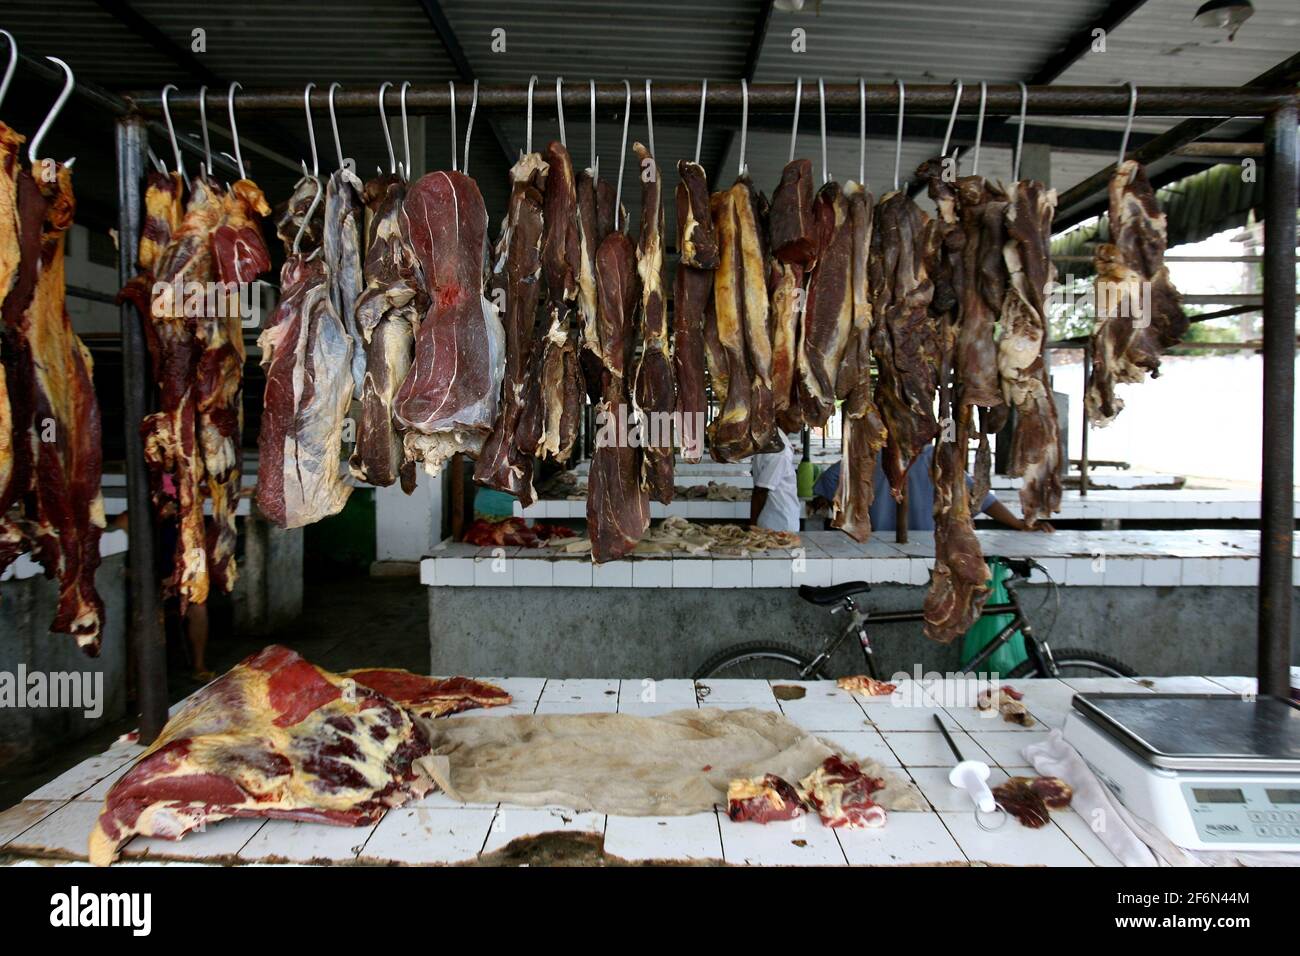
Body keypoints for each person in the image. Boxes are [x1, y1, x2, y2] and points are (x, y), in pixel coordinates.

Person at [810, 445, 1055, 533]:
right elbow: (983, 500)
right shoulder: (935, 458)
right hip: (927, 545)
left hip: (874, 541)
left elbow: (827, 484)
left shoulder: (866, 455)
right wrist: (1018, 523)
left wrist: (826, 500)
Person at [750, 430, 802, 532]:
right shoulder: (780, 451)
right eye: (796, 414)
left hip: (776, 519)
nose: (801, 419)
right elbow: (761, 490)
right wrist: (753, 525)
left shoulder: (769, 441)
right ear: (780, 415)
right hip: (779, 522)